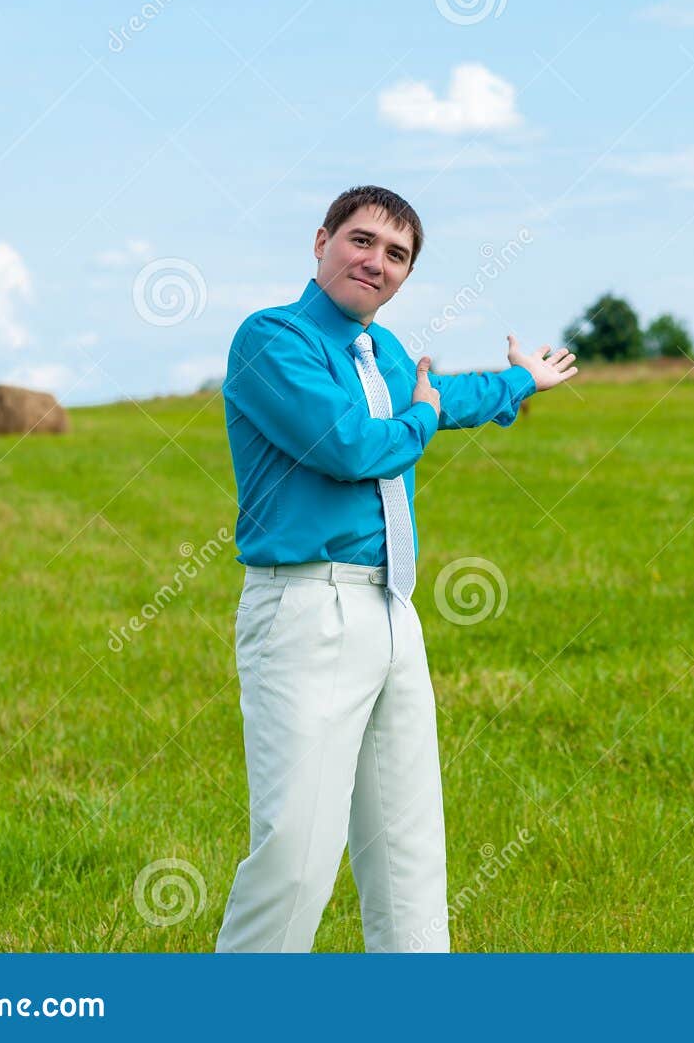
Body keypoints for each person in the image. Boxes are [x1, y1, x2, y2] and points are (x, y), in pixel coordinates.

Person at [214, 186, 577, 952]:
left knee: (410, 852)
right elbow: (351, 447)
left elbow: (443, 398)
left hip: (390, 612)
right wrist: (419, 414)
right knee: (296, 855)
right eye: (362, 240)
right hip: (306, 610)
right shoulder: (271, 340)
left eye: (397, 254)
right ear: (321, 242)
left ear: (407, 274)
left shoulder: (380, 356)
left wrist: (521, 382)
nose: (376, 262)